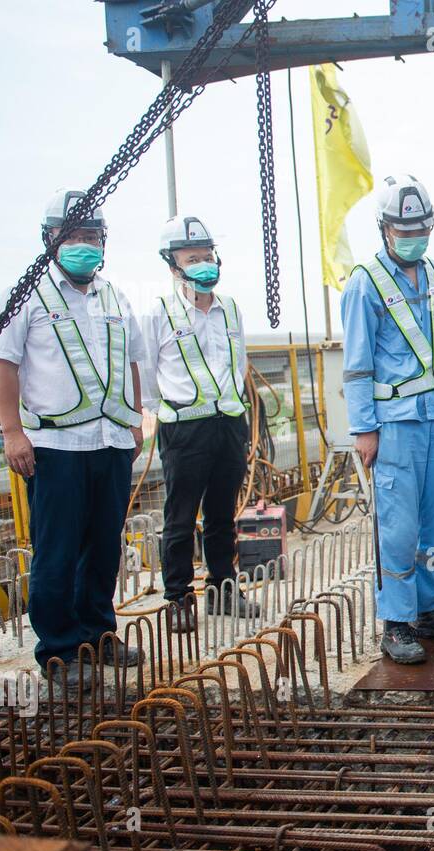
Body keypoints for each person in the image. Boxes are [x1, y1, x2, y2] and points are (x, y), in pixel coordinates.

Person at [0, 188, 145, 690]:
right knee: (56, 551)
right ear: (50, 239)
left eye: (92, 236)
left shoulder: (114, 296)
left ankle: (98, 634)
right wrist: (13, 432)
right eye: (73, 236)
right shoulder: (27, 294)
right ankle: (58, 649)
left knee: (103, 546)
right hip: (55, 448)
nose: (84, 244)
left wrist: (135, 419)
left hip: (110, 442)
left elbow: (133, 360)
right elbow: (5, 366)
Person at [342, 174, 434, 664]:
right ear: (385, 229)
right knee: (398, 528)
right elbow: (357, 363)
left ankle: (426, 607)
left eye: (422, 227)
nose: (415, 236)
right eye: (406, 228)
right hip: (395, 424)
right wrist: (363, 429)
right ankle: (395, 623)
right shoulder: (365, 284)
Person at [141, 215, 258, 630]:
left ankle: (223, 590)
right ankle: (178, 598)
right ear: (173, 266)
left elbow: (238, 362)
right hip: (184, 429)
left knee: (222, 514)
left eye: (208, 256)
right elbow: (146, 371)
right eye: (194, 258)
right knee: (180, 517)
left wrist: (236, 411)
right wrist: (159, 414)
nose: (205, 264)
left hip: (228, 423)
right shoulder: (159, 314)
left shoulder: (230, 309)